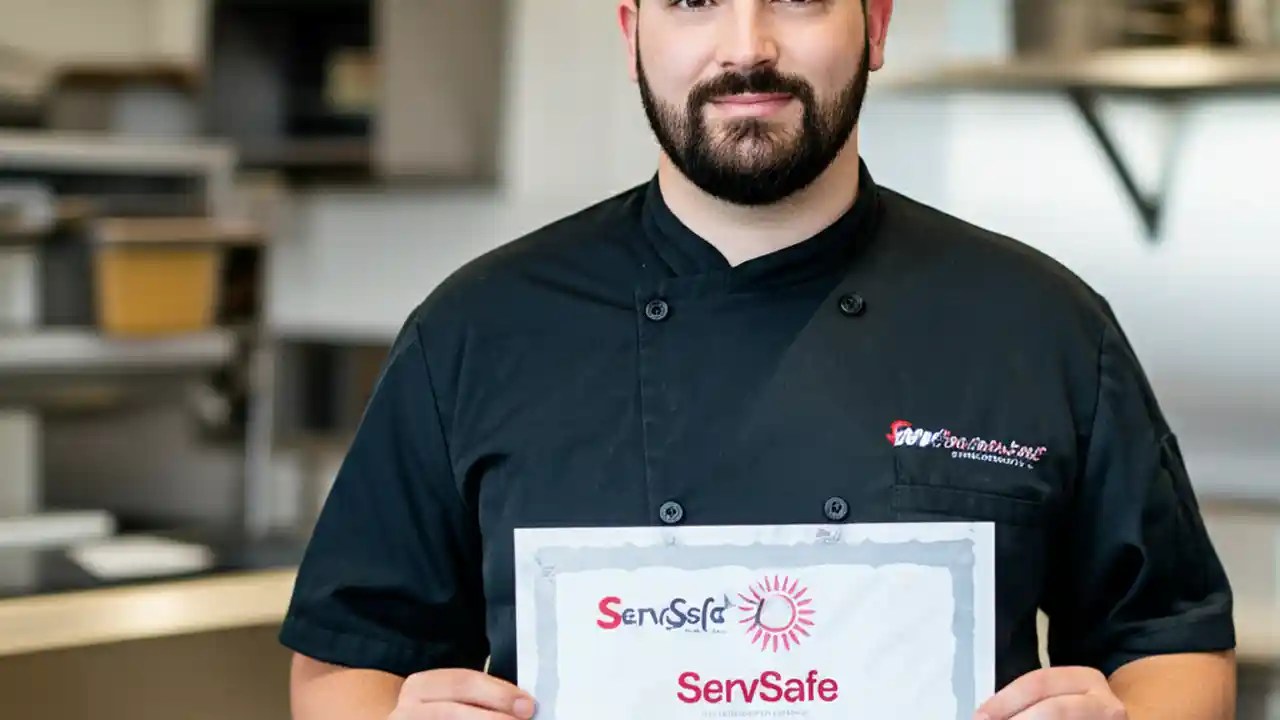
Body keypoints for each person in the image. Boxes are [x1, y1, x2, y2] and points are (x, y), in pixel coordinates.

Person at [282, 1, 1237, 718]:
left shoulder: (1043, 323)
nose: (747, 46)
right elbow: (345, 659)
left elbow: (1174, 643)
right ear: (631, 32)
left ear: (876, 24)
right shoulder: (476, 330)